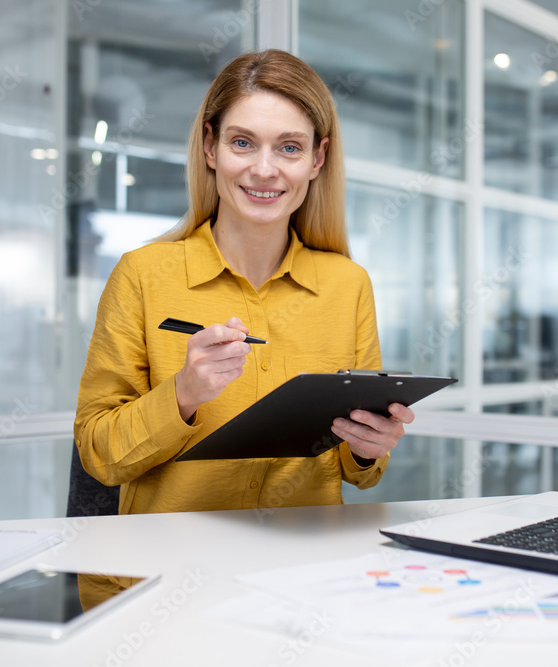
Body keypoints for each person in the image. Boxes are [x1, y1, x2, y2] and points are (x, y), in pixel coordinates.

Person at [74, 50, 415, 515]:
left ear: (318, 158)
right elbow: (98, 455)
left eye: (289, 147)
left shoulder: (348, 284)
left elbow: (362, 472)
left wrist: (368, 446)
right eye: (243, 143)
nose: (264, 169)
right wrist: (184, 394)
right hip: (172, 570)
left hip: (303, 565)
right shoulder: (142, 275)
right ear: (210, 147)